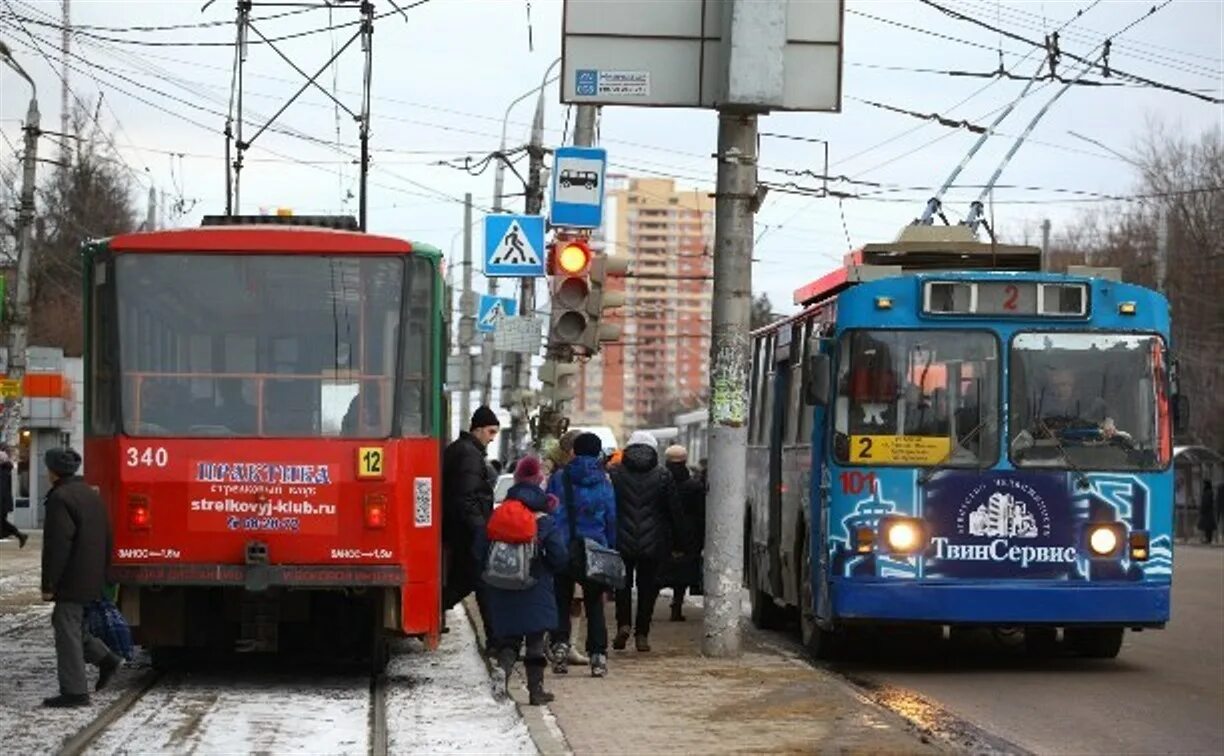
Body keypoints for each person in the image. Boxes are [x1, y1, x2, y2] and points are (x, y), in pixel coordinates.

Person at [476, 456, 567, 706]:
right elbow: (559, 556)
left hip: (501, 585)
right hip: (535, 584)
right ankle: (536, 692)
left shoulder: (499, 513)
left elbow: (479, 549)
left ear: (515, 481)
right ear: (539, 482)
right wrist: (549, 568)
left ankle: (502, 671)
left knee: (509, 639)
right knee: (535, 641)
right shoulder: (544, 518)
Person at [40, 448, 123, 707]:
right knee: (71, 625)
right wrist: (106, 573)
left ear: (52, 471)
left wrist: (49, 585)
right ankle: (107, 659)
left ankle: (75, 692)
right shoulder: (90, 494)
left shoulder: (60, 498)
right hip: (92, 575)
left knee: (67, 628)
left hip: (72, 577)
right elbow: (108, 536)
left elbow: (57, 546)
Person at [546, 432, 616, 677]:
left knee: (561, 602)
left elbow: (551, 511)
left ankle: (561, 649)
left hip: (564, 548)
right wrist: (610, 548)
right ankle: (598, 656)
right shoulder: (604, 481)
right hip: (595, 549)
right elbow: (611, 518)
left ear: (573, 451)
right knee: (595, 604)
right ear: (597, 453)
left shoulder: (559, 477)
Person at [608, 430, 677, 653]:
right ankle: (642, 635)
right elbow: (673, 511)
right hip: (653, 542)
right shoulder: (663, 475)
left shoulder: (615, 474)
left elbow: (609, 508)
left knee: (622, 587)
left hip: (621, 540)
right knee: (648, 589)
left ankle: (624, 624)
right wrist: (680, 542)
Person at [442, 407, 500, 637]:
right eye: (490, 431)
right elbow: (467, 497)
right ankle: (496, 639)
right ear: (477, 429)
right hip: (466, 533)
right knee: (479, 582)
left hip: (461, 530)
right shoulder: (469, 455)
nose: (492, 437)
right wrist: (480, 529)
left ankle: (495, 638)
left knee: (467, 581)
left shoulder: (464, 450)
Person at [661, 444, 705, 621]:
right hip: (689, 532)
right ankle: (677, 606)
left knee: (659, 570)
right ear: (685, 461)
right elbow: (701, 513)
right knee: (683, 572)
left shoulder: (661, 481)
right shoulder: (694, 485)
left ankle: (646, 608)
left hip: (664, 531)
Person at [1, 448, 29, 547]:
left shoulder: (3, 472)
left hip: (2, 502)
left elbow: (2, 490)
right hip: (4, 502)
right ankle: (20, 535)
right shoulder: (5, 471)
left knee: (2, 523)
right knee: (2, 523)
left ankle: (19, 535)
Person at [1199, 480, 1216, 545]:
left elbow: (1206, 502)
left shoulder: (1208, 492)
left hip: (1207, 512)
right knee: (1207, 527)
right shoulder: (1209, 492)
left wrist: (1202, 510)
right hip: (1208, 512)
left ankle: (1208, 539)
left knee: (1207, 527)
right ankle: (1208, 539)